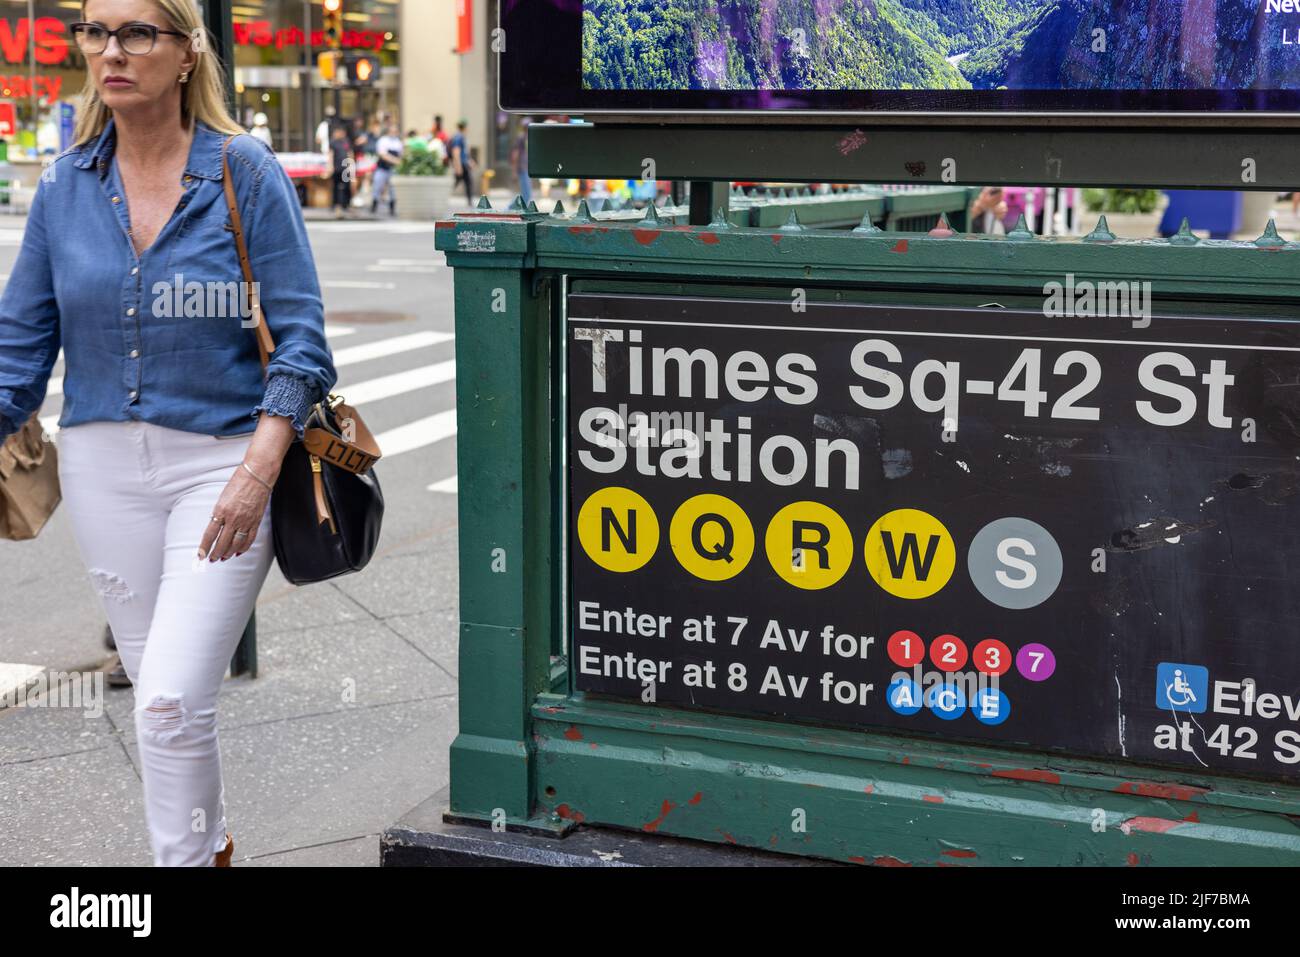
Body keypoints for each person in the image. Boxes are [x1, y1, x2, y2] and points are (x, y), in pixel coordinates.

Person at [0, 0, 337, 866]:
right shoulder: (65, 186)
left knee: (167, 701)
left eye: (137, 33)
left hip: (225, 467)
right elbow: (18, 353)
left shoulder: (245, 172)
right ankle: (206, 850)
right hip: (105, 469)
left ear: (188, 54)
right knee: (164, 702)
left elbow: (300, 342)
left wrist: (260, 471)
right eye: (96, 32)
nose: (111, 51)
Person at [371, 123, 403, 216]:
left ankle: (392, 208)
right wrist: (396, 161)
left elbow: (401, 154)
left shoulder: (398, 142)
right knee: (377, 186)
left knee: (393, 190)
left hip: (393, 169)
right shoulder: (383, 140)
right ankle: (374, 206)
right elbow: (383, 155)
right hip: (382, 168)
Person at [448, 119, 474, 205]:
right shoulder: (459, 137)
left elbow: (464, 152)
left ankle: (470, 201)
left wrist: (470, 161)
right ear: (465, 127)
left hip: (463, 163)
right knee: (465, 182)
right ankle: (469, 201)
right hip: (461, 164)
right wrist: (458, 167)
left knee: (464, 182)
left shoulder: (460, 136)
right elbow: (456, 152)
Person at [329, 125, 353, 219]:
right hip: (337, 167)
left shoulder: (346, 142)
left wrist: (351, 165)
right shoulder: (333, 142)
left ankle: (346, 204)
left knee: (347, 187)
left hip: (345, 167)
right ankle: (336, 205)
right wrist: (330, 166)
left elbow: (350, 153)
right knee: (336, 187)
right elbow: (330, 154)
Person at [510, 117, 532, 207]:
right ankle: (510, 208)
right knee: (526, 194)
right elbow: (515, 155)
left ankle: (513, 208)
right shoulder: (521, 137)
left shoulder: (527, 137)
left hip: (526, 168)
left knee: (526, 194)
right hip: (522, 168)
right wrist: (514, 171)